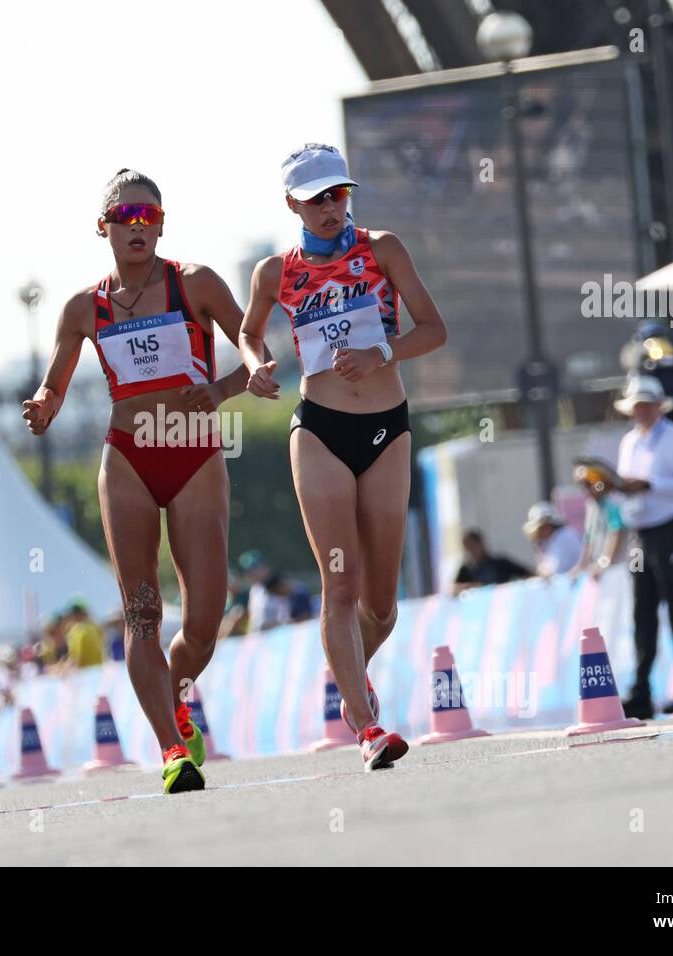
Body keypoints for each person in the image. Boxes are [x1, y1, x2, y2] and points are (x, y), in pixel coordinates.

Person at [22, 168, 255, 794]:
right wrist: (44, 404)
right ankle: (172, 749)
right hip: (127, 455)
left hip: (191, 448)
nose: (137, 226)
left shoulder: (195, 283)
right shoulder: (82, 308)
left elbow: (253, 344)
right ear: (104, 227)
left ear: (161, 224)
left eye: (148, 216)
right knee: (142, 611)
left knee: (205, 617)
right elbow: (56, 380)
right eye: (125, 217)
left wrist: (230, 385)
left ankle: (177, 692)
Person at [239, 143, 446, 770]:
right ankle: (367, 727)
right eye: (317, 199)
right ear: (292, 205)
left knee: (380, 604)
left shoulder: (383, 248)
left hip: (387, 430)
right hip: (320, 429)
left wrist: (382, 353)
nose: (332, 208)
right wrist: (254, 366)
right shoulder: (274, 272)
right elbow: (250, 332)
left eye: (339, 194)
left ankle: (350, 682)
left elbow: (433, 328)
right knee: (340, 581)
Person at [611, 376, 673, 718]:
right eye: (637, 406)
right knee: (642, 612)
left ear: (658, 406)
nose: (642, 411)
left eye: (647, 405)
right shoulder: (629, 443)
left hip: (670, 529)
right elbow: (626, 487)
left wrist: (650, 484)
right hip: (642, 532)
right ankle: (640, 691)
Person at [570, 465, 628, 578]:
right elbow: (589, 539)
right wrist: (581, 566)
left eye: (588, 484)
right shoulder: (592, 506)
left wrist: (604, 563)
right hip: (598, 571)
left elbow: (616, 533)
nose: (585, 490)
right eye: (582, 485)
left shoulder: (613, 502)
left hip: (617, 569)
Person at [452, 530, 532, 594]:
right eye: (467, 548)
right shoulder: (465, 569)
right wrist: (467, 587)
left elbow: (527, 574)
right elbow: (453, 589)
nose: (470, 551)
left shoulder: (500, 564)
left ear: (481, 544)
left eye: (472, 546)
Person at [521, 502, 583, 577]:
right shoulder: (549, 541)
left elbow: (555, 572)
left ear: (548, 525)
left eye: (541, 527)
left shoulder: (564, 536)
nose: (538, 533)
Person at [62, 599, 105, 669]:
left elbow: (76, 659)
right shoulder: (95, 627)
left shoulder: (78, 631)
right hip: (99, 671)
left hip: (84, 674)